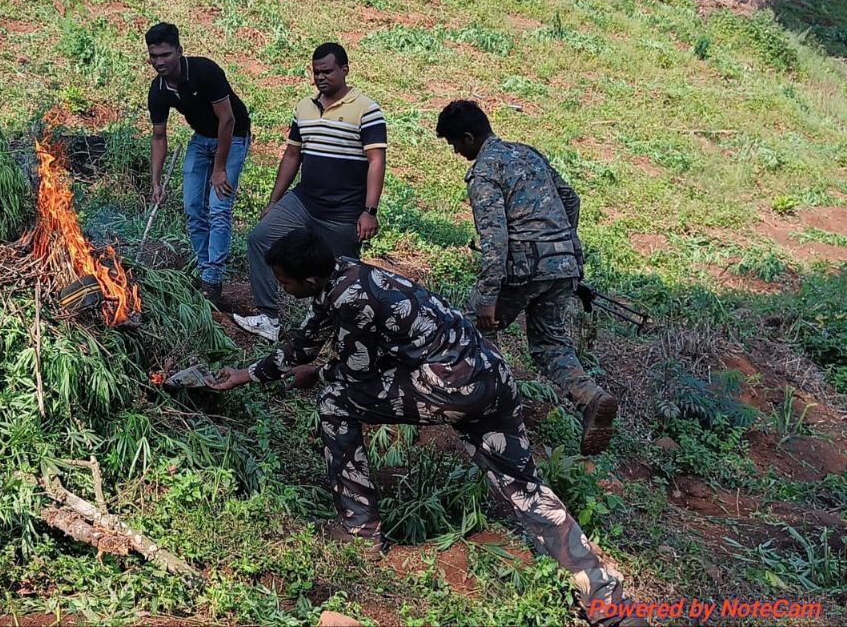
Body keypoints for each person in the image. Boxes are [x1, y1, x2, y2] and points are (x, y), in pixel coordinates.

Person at [211, 229, 645, 627]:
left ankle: (360, 529)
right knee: (524, 487)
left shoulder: (349, 299)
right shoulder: (347, 275)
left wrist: (317, 375)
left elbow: (358, 369)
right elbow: (306, 340)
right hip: (491, 375)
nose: (281, 288)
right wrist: (248, 373)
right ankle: (609, 605)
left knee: (335, 402)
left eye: (284, 282)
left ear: (307, 281)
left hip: (451, 386)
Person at [435, 99, 619, 455]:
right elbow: (571, 198)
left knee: (473, 326)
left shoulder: (486, 171)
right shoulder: (527, 154)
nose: (456, 151)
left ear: (470, 137)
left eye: (455, 143)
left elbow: (495, 238)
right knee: (551, 345)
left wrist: (489, 294)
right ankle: (591, 398)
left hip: (523, 269)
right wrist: (558, 246)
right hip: (563, 265)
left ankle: (491, 407)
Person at [231, 43, 386, 342]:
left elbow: (376, 160)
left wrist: (369, 211)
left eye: (327, 71)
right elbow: (292, 155)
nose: (321, 77)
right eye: (316, 72)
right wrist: (274, 200)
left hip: (343, 212)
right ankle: (268, 318)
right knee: (260, 239)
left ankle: (342, 334)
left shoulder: (367, 109)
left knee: (346, 276)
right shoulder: (304, 107)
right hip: (303, 201)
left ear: (344, 70)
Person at [146, 22, 252, 306]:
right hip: (202, 139)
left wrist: (219, 169)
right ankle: (204, 267)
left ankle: (213, 280)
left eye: (165, 55)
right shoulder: (158, 90)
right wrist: (155, 181)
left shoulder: (205, 71)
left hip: (232, 137)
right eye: (154, 56)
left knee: (218, 208)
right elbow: (159, 137)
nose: (159, 62)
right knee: (193, 207)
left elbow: (227, 120)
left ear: (179, 52)